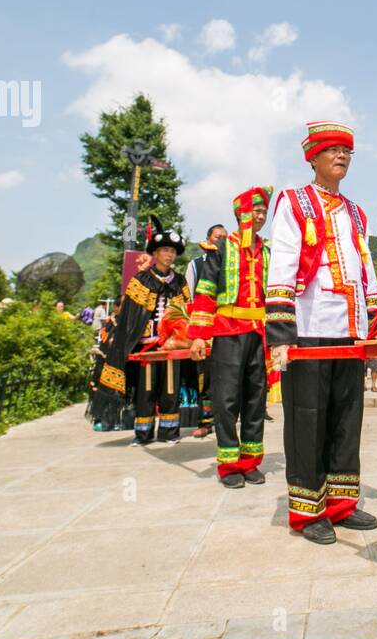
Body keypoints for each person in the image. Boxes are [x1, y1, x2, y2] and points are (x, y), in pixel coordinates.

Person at [266, 121, 377, 545]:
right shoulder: (293, 203)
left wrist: (375, 326)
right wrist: (281, 333)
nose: (342, 157)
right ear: (312, 157)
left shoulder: (355, 211)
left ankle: (341, 504)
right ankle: (306, 510)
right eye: (333, 151)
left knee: (347, 417)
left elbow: (365, 268)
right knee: (307, 419)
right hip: (310, 330)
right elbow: (282, 264)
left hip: (350, 330)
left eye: (347, 152)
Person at [187, 192, 274, 486]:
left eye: (264, 211)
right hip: (226, 332)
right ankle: (228, 464)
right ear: (241, 215)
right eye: (256, 211)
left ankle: (250, 461)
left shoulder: (267, 252)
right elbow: (205, 292)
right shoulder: (221, 249)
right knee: (226, 400)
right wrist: (199, 336)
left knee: (255, 398)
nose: (261, 216)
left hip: (258, 333)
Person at [94, 225, 194, 446]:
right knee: (145, 391)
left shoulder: (180, 282)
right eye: (165, 250)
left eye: (173, 251)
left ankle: (169, 433)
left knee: (170, 390)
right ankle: (143, 434)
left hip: (172, 345)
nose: (169, 255)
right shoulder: (140, 280)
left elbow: (187, 312)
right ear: (155, 253)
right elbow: (130, 316)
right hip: (145, 345)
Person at [184, 224, 229, 438]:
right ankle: (205, 421)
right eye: (217, 237)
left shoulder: (231, 261)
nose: (220, 241)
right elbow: (189, 298)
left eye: (224, 238)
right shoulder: (195, 265)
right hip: (204, 328)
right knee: (204, 378)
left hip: (226, 328)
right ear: (207, 239)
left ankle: (225, 419)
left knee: (225, 376)